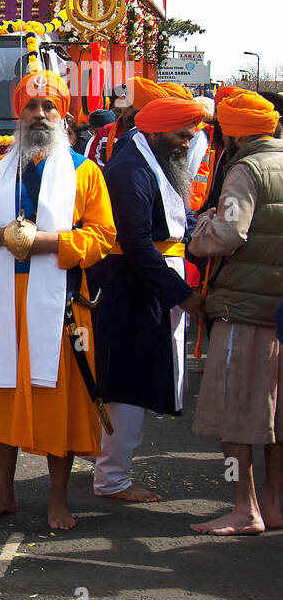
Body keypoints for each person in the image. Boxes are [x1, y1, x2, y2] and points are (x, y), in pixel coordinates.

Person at [0, 69, 116, 531]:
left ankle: (58, 498)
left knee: (56, 399)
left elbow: (103, 237)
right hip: (1, 302)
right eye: (30, 107)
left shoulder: (86, 172)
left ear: (63, 115)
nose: (39, 114)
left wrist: (45, 242)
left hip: (62, 302)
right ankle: (4, 493)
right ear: (18, 114)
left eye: (48, 107)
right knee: (0, 394)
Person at [91, 95, 206, 504]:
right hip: (134, 286)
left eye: (192, 135)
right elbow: (137, 244)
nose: (186, 142)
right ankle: (113, 479)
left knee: (137, 378)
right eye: (181, 134)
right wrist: (181, 294)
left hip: (149, 281)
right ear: (155, 131)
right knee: (130, 383)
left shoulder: (148, 158)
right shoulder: (130, 168)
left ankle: (112, 469)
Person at [187, 91, 283, 535]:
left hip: (243, 308)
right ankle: (274, 503)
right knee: (276, 416)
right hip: (278, 311)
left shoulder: (247, 169)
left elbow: (227, 234)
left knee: (236, 414)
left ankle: (245, 508)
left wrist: (200, 227)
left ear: (233, 132)